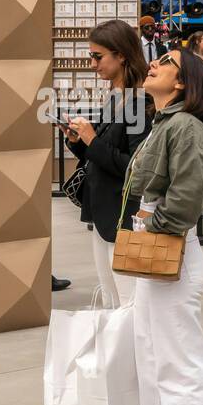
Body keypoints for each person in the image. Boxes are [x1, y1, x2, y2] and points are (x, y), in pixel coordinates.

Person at [120, 48, 203, 405]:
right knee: (150, 348)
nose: (155, 64)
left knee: (180, 356)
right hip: (158, 249)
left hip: (172, 251)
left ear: (183, 83)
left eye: (166, 61)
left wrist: (150, 224)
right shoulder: (167, 122)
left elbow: (184, 202)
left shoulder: (186, 128)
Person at [62, 19, 151, 308]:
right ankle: (120, 353)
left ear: (121, 55)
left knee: (127, 303)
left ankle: (131, 354)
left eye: (97, 56)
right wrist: (78, 140)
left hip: (122, 217)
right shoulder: (118, 97)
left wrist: (91, 140)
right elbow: (101, 158)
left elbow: (137, 169)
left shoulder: (138, 102)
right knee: (113, 300)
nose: (93, 63)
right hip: (104, 213)